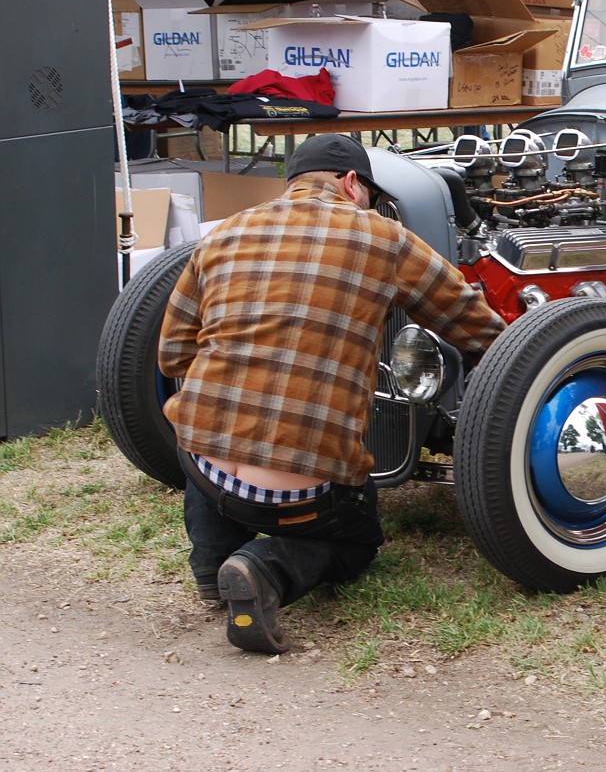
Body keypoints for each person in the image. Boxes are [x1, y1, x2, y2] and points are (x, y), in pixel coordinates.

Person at [159, 134, 504, 654]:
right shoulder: (386, 238)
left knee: (210, 430)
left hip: (202, 468)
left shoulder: (222, 235)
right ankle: (264, 568)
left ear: (293, 183)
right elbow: (475, 328)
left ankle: (211, 564)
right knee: (357, 544)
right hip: (298, 494)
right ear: (351, 184)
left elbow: (173, 353)